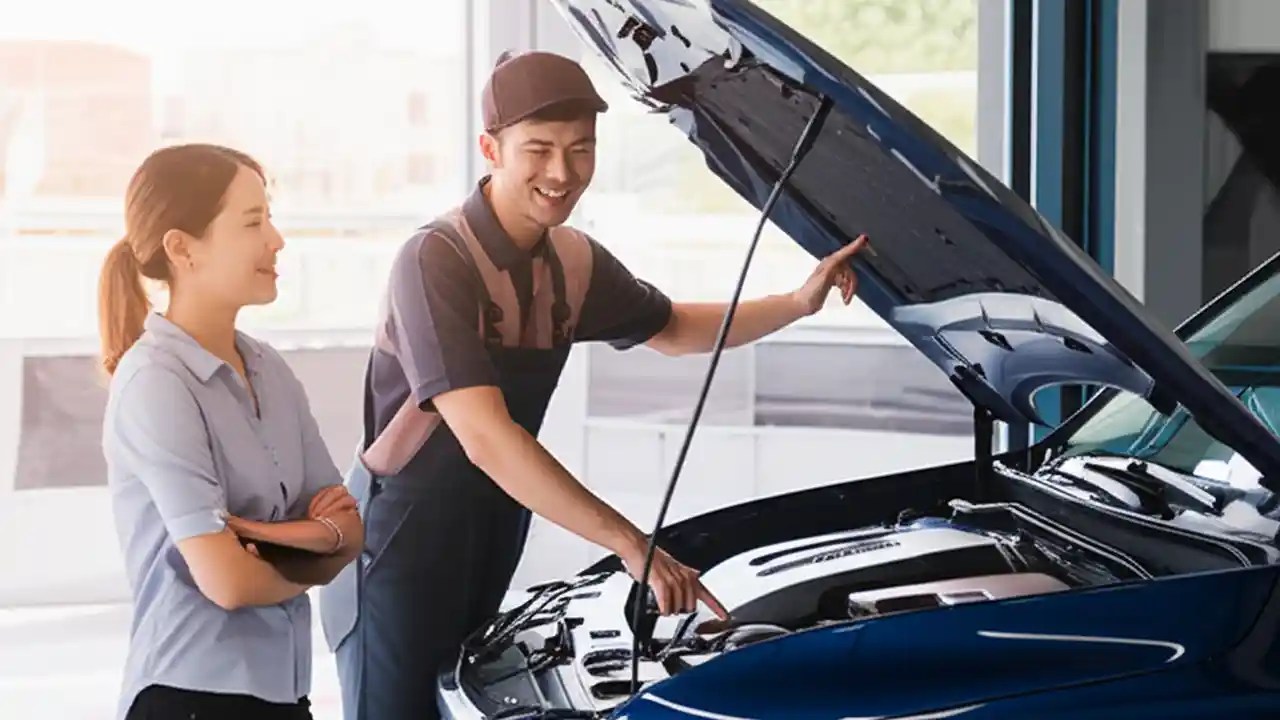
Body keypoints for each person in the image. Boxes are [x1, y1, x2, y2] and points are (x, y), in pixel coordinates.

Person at [319, 51, 867, 720]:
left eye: (581, 149)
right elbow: (486, 438)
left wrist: (794, 302)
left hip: (493, 523)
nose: (561, 172)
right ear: (490, 148)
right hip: (398, 541)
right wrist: (628, 542)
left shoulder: (573, 262)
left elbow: (672, 327)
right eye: (539, 149)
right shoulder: (435, 259)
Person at [99, 143, 365, 720]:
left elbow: (348, 532)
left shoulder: (270, 369)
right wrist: (311, 545)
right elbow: (228, 584)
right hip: (191, 697)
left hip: (283, 695)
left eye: (269, 218)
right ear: (181, 248)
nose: (276, 239)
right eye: (252, 222)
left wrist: (256, 538)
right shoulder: (156, 383)